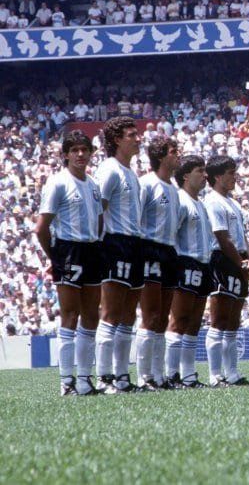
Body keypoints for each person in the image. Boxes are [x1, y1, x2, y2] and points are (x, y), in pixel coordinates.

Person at [34, 131, 103, 395]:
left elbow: (98, 220)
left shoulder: (94, 185)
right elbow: (42, 228)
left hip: (92, 250)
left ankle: (85, 381)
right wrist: (56, 257)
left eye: (84, 149)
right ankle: (66, 382)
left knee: (91, 316)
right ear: (65, 155)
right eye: (74, 150)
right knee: (70, 316)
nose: (80, 154)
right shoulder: (58, 183)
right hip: (69, 250)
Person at [94, 116, 143, 394]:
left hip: (133, 245)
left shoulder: (130, 173)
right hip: (115, 244)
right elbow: (97, 210)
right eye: (131, 134)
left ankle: (123, 377)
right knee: (111, 313)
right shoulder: (109, 170)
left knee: (128, 316)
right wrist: (99, 247)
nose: (137, 138)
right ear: (116, 140)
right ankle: (104, 378)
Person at [136, 136, 181, 390]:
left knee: (163, 317)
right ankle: (144, 376)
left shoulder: (174, 190)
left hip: (169, 252)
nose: (178, 155)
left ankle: (159, 374)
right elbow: (137, 220)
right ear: (161, 156)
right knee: (151, 314)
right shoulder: (146, 184)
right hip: (150, 250)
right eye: (173, 152)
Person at [204, 155, 249, 386]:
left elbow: (242, 237)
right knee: (220, 318)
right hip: (223, 260)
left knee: (234, 320)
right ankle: (215, 375)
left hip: (239, 260)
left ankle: (232, 373)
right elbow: (222, 238)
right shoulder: (213, 201)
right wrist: (241, 263)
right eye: (231, 173)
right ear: (217, 177)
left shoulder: (232, 203)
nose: (235, 177)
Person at [165, 154, 212, 388]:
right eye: (199, 171)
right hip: (186, 263)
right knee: (179, 319)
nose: (205, 175)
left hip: (202, 265)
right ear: (185, 175)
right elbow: (172, 234)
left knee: (194, 323)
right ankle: (172, 374)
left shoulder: (200, 203)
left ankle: (189, 375)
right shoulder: (180, 201)